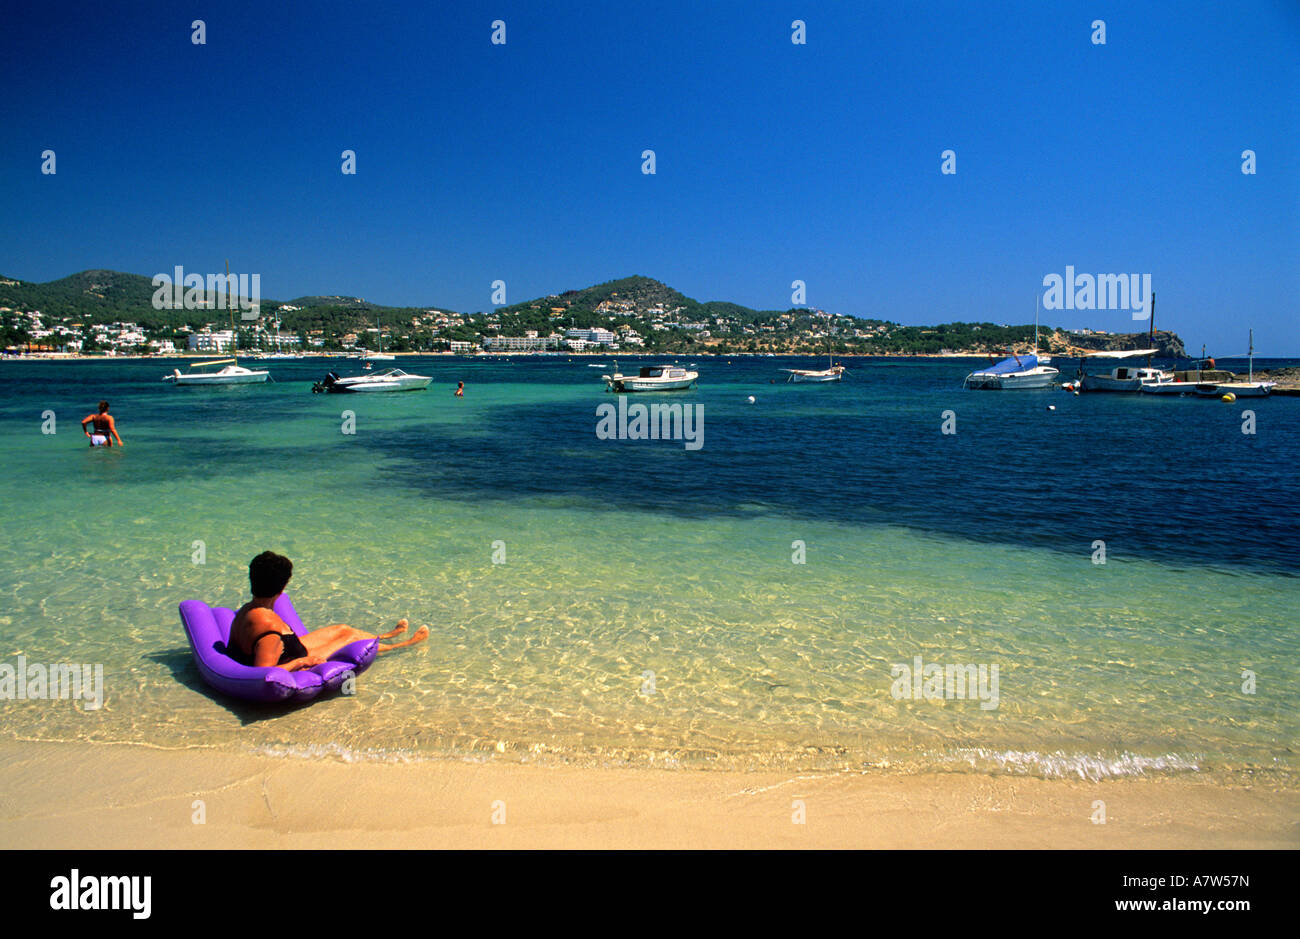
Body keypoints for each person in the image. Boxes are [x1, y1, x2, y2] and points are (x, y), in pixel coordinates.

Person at [227, 551, 428, 670]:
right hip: (293, 658)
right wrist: (300, 663)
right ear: (282, 587)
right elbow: (263, 674)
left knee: (343, 629)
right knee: (350, 638)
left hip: (289, 650)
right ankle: (402, 645)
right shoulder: (268, 630)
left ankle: (385, 636)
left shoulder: (249, 609)